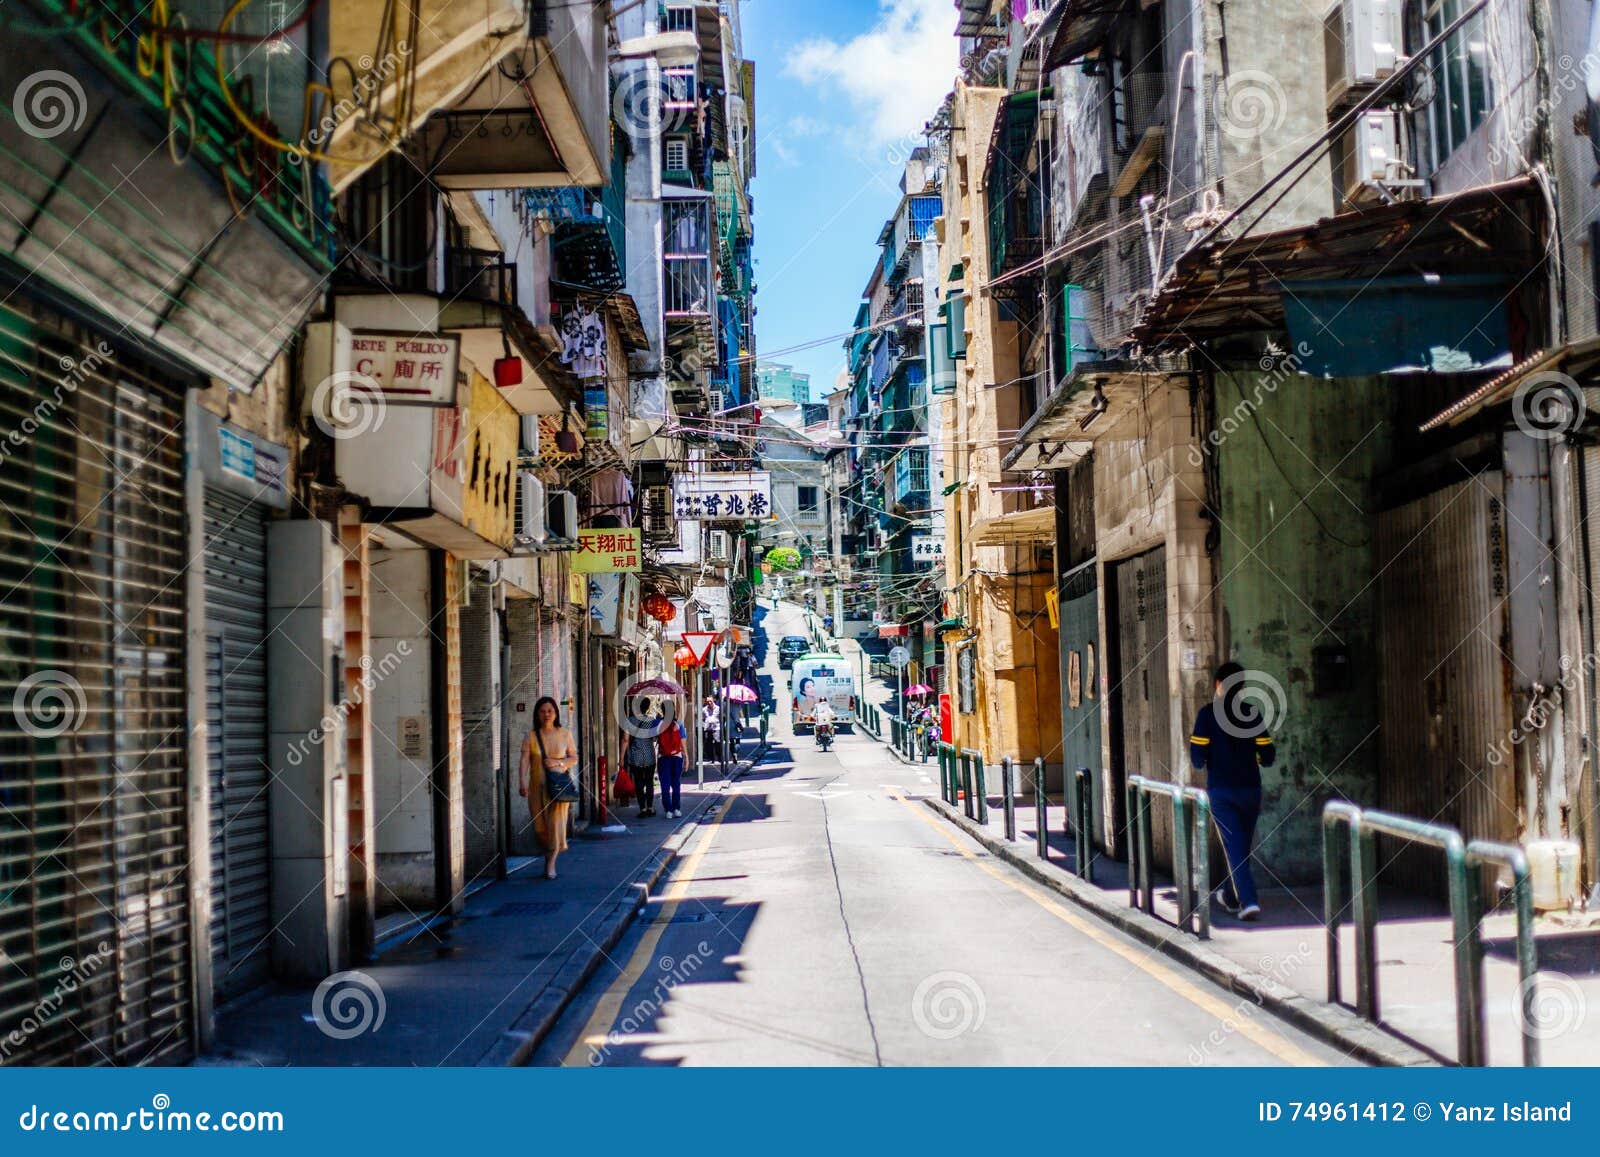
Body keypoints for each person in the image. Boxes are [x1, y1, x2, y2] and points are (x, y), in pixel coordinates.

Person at [1189, 660, 1277, 921]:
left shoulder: (1207, 714)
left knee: (1235, 848)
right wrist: (1252, 758)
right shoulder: (1252, 713)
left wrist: (1209, 759)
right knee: (1240, 847)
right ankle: (1229, 895)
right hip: (1251, 790)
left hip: (1222, 792)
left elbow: (1197, 758)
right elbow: (1268, 754)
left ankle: (1248, 901)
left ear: (1218, 685)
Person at [519, 697, 578, 880]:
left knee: (555, 826)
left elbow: (573, 758)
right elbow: (524, 761)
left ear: (555, 713)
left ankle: (551, 863)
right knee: (539, 829)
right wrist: (522, 782)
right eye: (543, 711)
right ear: (537, 714)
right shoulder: (531, 736)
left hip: (558, 787)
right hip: (537, 787)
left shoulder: (564, 734)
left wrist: (558, 762)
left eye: (550, 711)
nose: (546, 714)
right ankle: (548, 853)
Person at [625, 704, 659, 818]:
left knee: (638, 783)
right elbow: (655, 738)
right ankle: (650, 807)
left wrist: (621, 757)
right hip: (649, 755)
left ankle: (642, 809)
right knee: (649, 782)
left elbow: (625, 739)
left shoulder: (629, 721)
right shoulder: (651, 721)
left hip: (636, 756)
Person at [657, 711, 686, 818]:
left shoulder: (659, 724)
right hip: (676, 757)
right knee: (676, 784)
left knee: (665, 785)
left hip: (663, 758)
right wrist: (686, 757)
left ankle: (668, 810)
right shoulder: (678, 724)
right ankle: (676, 809)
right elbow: (683, 742)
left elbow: (655, 739)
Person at [700, 695, 721, 771]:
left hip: (716, 728)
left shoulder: (718, 708)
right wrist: (705, 724)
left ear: (713, 701)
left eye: (710, 701)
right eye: (708, 701)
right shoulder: (704, 709)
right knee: (708, 743)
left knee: (717, 742)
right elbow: (702, 718)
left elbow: (722, 717)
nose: (709, 703)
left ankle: (719, 757)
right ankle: (711, 758)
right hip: (708, 728)